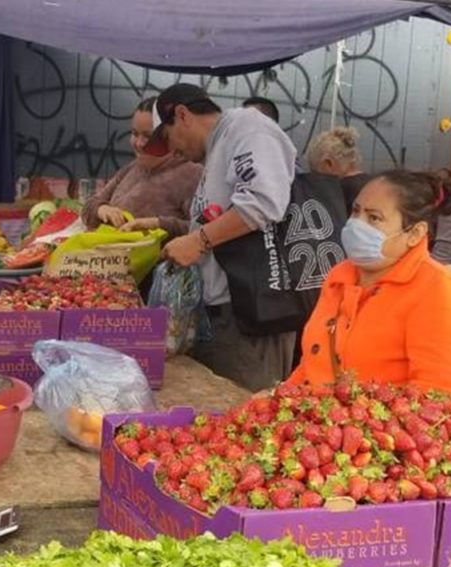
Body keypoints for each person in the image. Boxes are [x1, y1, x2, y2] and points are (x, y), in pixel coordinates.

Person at [285, 171, 451, 411]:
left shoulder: (441, 292)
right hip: (314, 431)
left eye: (374, 218)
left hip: (379, 442)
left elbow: (442, 402)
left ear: (415, 233)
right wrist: (280, 398)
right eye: (356, 211)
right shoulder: (340, 277)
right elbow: (313, 363)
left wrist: (357, 428)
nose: (357, 224)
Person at [147, 83, 297, 390]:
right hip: (225, 313)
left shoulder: (248, 129)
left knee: (246, 411)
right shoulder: (218, 147)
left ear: (182, 114)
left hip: (251, 314)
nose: (173, 151)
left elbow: (264, 201)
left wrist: (197, 241)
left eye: (168, 137)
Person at [82, 97, 202, 238]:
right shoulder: (132, 168)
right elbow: (88, 207)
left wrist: (159, 224)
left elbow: (203, 231)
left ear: (171, 134)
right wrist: (101, 209)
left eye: (148, 136)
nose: (139, 143)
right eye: (134, 133)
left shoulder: (192, 175)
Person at [306, 127, 372, 214]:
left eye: (315, 172)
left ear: (328, 164)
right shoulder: (375, 185)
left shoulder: (336, 195)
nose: (315, 181)